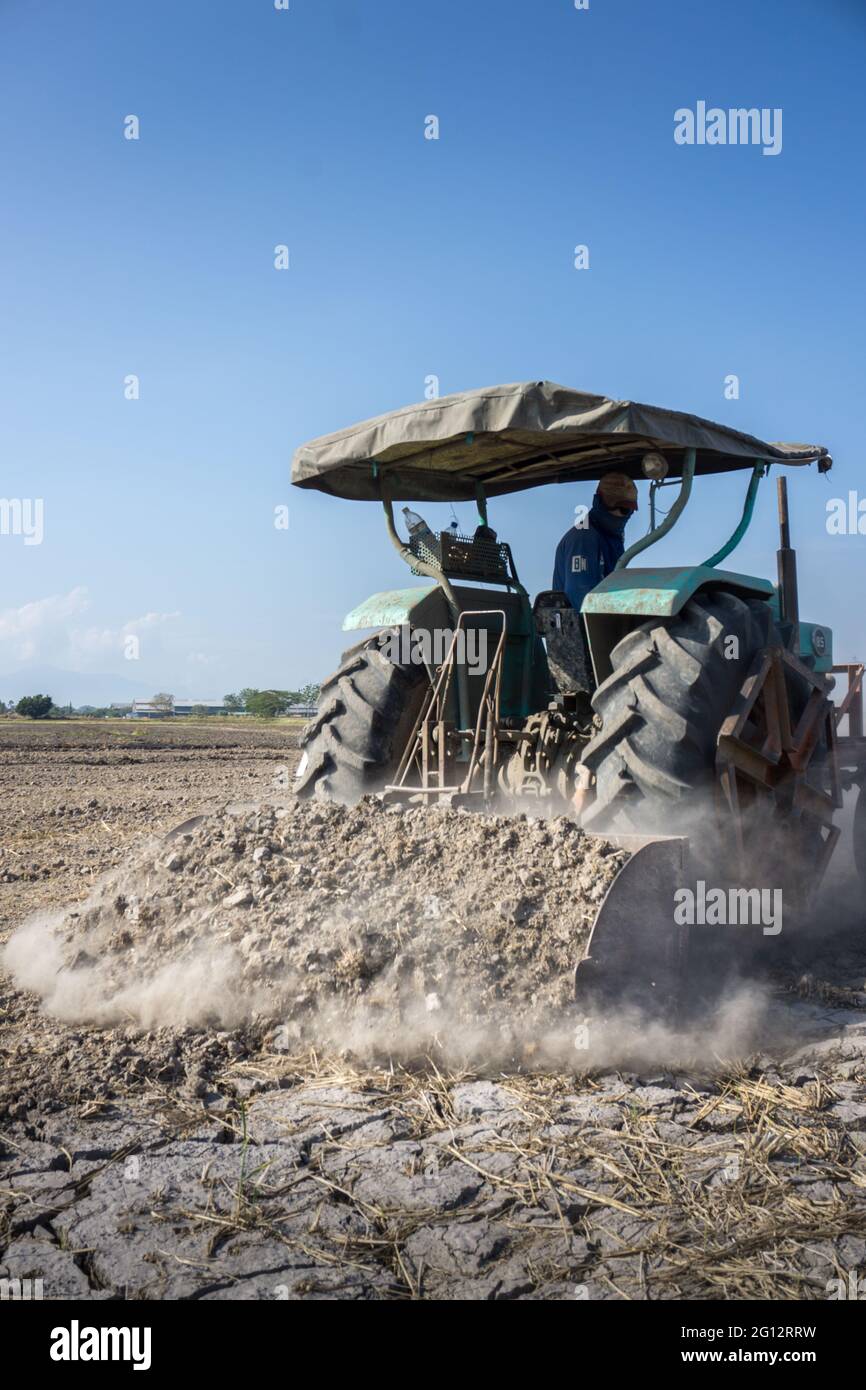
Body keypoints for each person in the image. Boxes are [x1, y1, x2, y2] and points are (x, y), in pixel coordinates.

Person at [552, 471, 638, 611]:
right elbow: (581, 596)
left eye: (631, 510)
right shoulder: (583, 537)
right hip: (583, 629)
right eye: (623, 509)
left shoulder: (611, 538)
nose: (627, 515)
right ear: (600, 503)